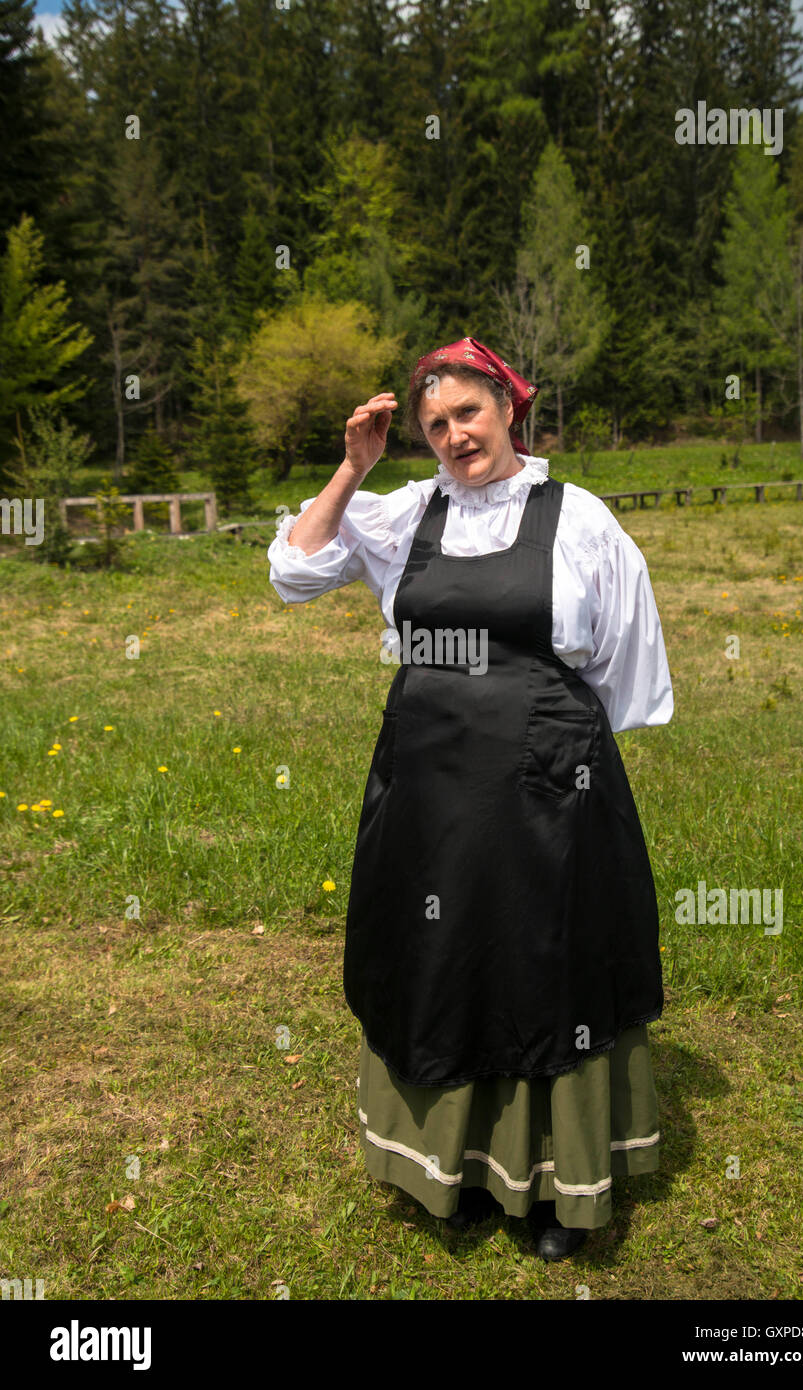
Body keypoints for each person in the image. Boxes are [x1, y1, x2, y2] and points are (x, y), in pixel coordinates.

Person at [267, 336, 674, 1263]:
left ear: (508, 409)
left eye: (468, 415)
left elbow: (621, 659)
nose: (454, 436)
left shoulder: (577, 519)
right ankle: (451, 1172)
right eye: (434, 424)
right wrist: (352, 467)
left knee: (542, 965)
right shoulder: (407, 512)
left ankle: (553, 1190)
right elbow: (292, 572)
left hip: (545, 785)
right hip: (428, 787)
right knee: (444, 956)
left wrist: (548, 746)